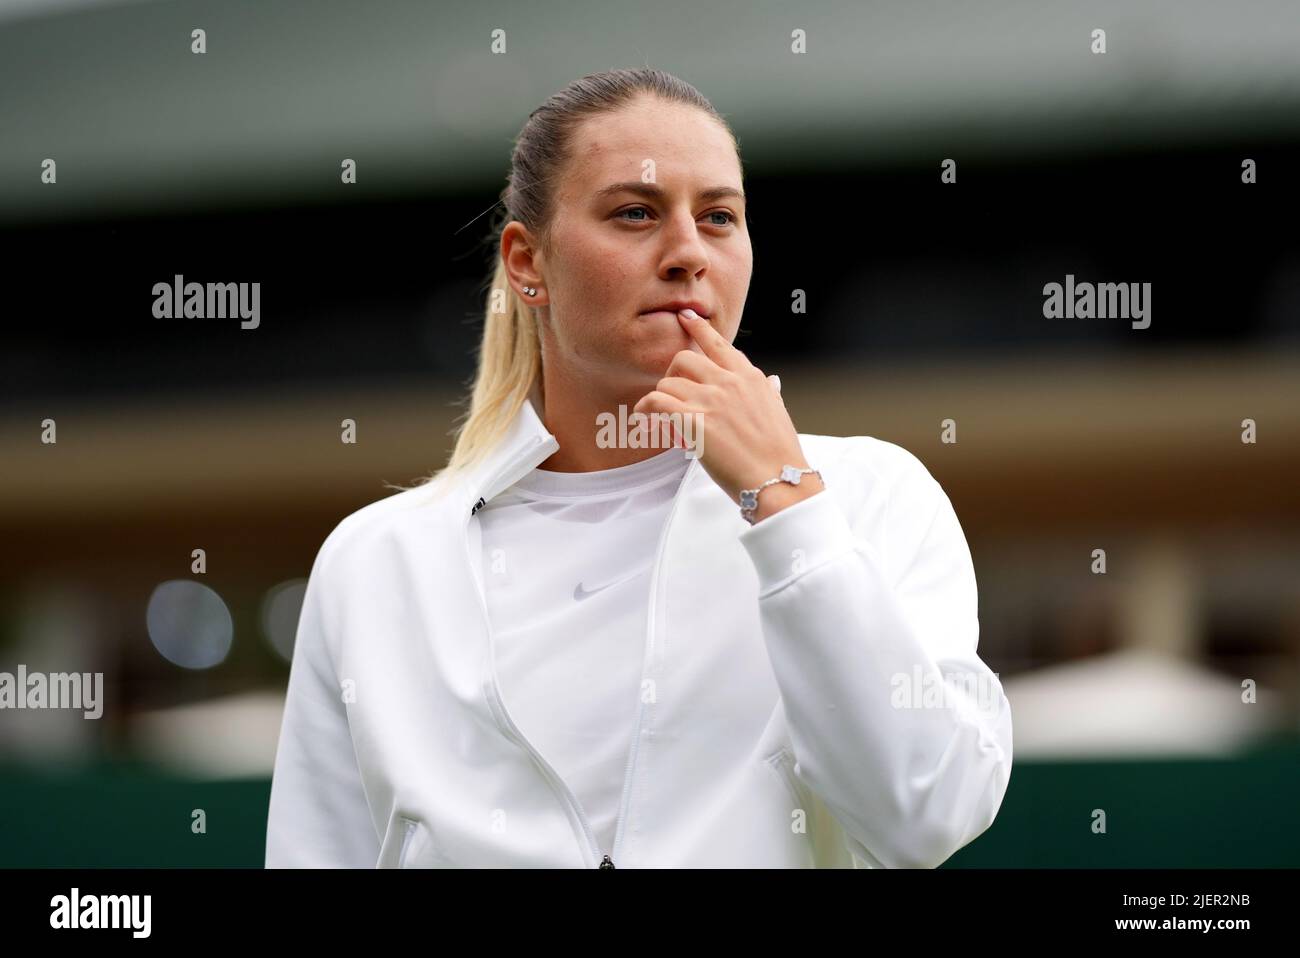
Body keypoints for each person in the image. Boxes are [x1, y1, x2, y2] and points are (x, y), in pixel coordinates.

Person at [265, 68, 1013, 868]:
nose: (689, 252)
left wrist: (788, 507)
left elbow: (928, 811)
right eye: (636, 213)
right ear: (528, 263)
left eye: (719, 216)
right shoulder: (375, 561)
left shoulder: (871, 496)